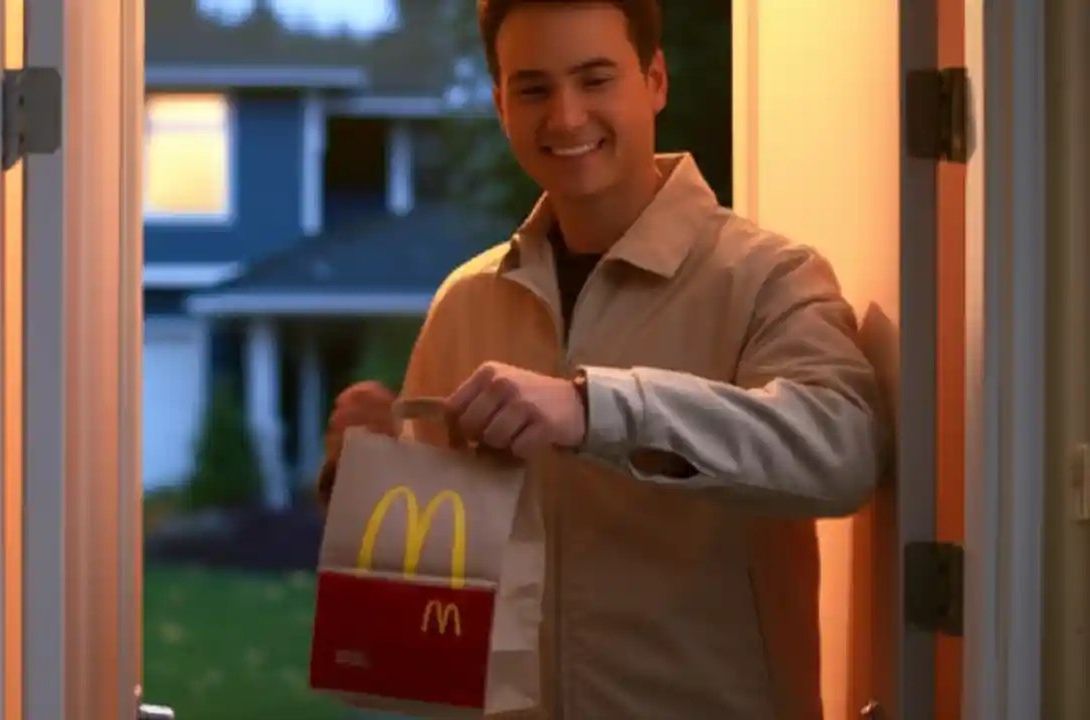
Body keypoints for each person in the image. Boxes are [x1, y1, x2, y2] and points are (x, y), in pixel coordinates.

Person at [318, 1, 885, 717]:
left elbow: (843, 453)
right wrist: (365, 489)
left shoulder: (768, 277)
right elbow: (416, 641)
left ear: (655, 80)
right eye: (533, 88)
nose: (565, 117)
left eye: (595, 79)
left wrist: (595, 409)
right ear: (500, 104)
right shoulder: (466, 303)